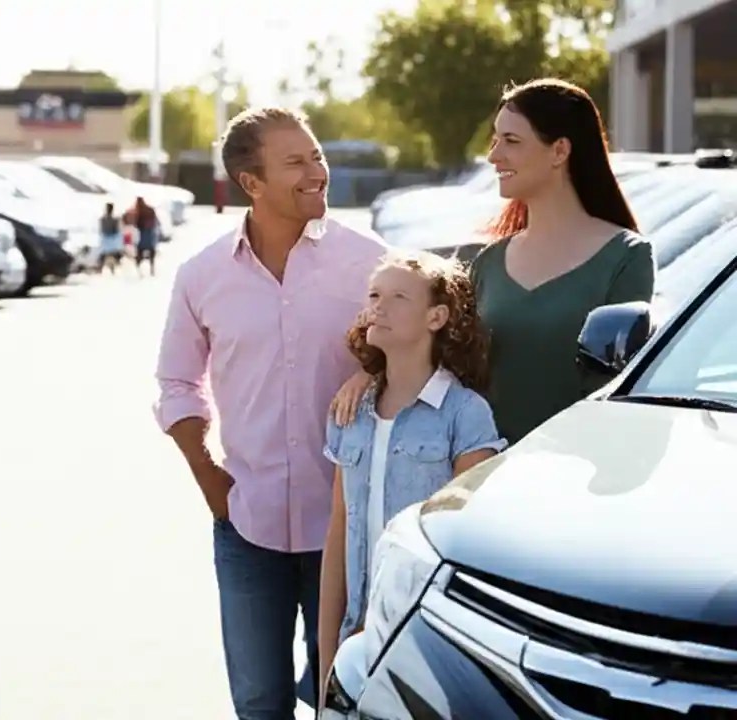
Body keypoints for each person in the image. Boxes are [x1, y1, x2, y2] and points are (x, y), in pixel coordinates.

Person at [153, 106, 386, 719]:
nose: (317, 171)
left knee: (341, 696)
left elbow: (421, 356)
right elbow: (176, 383)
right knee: (259, 700)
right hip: (245, 521)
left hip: (346, 522)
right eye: (296, 162)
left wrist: (372, 368)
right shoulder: (201, 276)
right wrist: (212, 483)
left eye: (316, 156)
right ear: (251, 183)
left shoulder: (371, 263)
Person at [330, 78, 655, 445]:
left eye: (511, 141)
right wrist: (372, 376)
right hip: (481, 474)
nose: (493, 155)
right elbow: (440, 359)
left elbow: (621, 388)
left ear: (559, 150)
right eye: (495, 139)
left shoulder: (627, 257)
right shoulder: (490, 262)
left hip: (570, 475)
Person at [315, 250, 505, 702]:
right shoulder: (350, 413)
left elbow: (467, 547)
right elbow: (339, 535)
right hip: (357, 640)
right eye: (374, 294)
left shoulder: (465, 415)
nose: (378, 305)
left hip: (427, 646)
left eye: (398, 296)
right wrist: (327, 665)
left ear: (436, 317)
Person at [132, 196, 160, 277]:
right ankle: (152, 268)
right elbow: (155, 221)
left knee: (139, 251)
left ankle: (138, 270)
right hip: (150, 234)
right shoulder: (150, 210)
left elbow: (136, 224)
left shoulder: (139, 211)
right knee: (151, 250)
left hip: (143, 235)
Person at [98, 202, 124, 275]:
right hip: (113, 242)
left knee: (102, 254)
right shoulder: (115, 220)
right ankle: (116, 263)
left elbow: (101, 230)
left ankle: (100, 268)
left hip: (105, 241)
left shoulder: (102, 219)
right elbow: (117, 231)